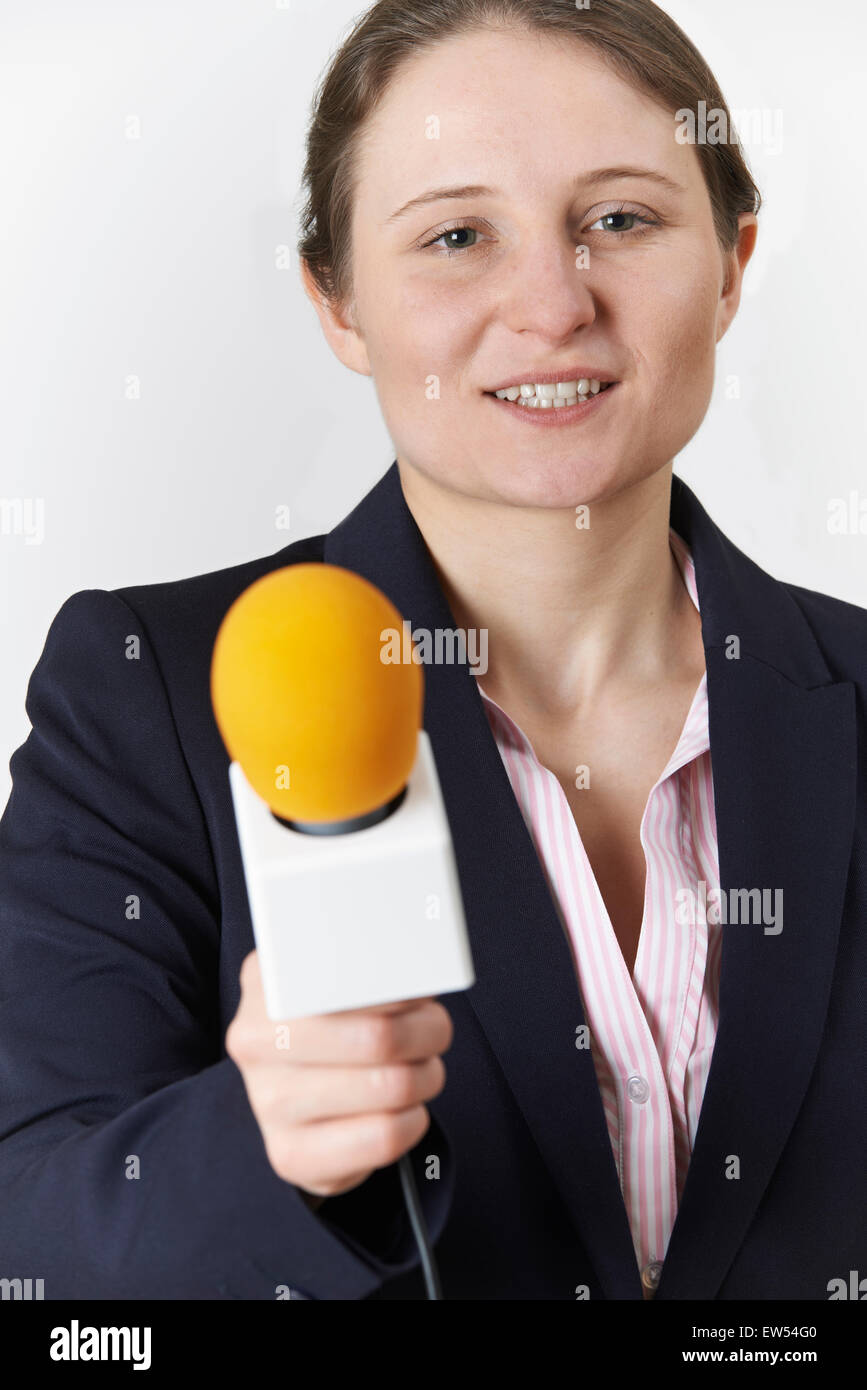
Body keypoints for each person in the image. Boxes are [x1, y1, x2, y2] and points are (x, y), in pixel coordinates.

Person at [0, 0, 864, 1301]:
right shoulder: (151, 692)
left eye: (621, 219)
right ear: (339, 306)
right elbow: (32, 1238)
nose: (552, 305)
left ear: (733, 264)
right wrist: (266, 1151)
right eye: (458, 236)